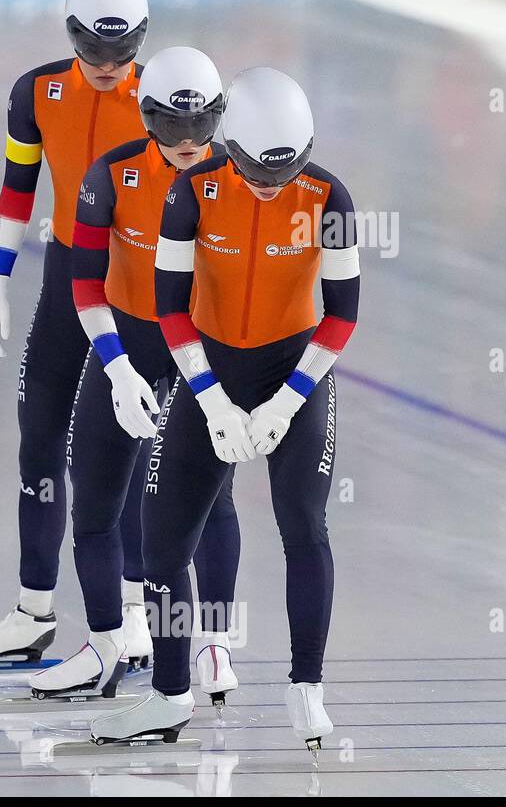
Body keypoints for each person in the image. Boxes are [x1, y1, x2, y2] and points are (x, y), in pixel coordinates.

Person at [91, 68, 360, 749]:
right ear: (226, 147)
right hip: (212, 371)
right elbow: (170, 310)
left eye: (286, 170)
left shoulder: (330, 197)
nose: (270, 185)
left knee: (303, 524)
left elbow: (342, 317)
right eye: (252, 169)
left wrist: (285, 402)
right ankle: (170, 694)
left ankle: (307, 688)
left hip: (295, 373)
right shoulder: (192, 193)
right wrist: (211, 401)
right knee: (162, 541)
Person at [26, 47, 241, 702]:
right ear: (145, 118)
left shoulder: (242, 179)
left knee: (208, 503)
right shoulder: (109, 176)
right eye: (171, 128)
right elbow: (83, 285)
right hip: (132, 348)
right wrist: (117, 368)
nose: (186, 142)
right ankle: (107, 641)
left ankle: (213, 645)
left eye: (200, 127)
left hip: (200, 352)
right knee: (92, 494)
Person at [0, 0, 151, 665]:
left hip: (137, 290)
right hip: (69, 277)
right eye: (93, 52)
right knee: (38, 436)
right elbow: (17, 188)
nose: (106, 68)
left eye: (121, 53)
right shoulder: (34, 94)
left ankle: (134, 610)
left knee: (122, 447)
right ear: (70, 37)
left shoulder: (163, 101)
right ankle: (32, 609)